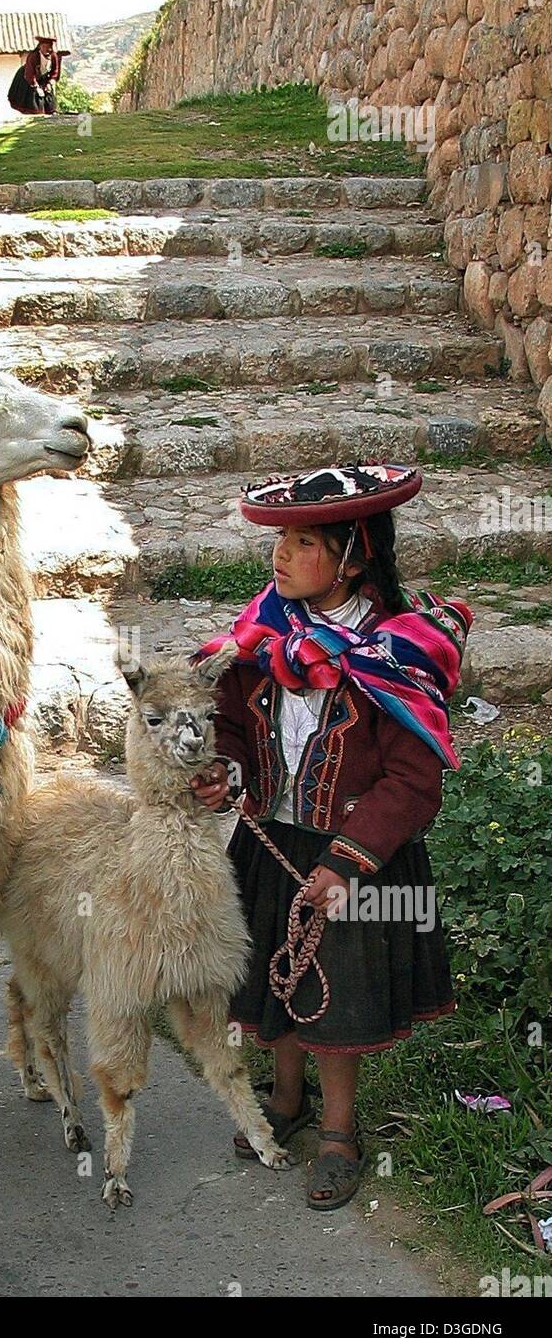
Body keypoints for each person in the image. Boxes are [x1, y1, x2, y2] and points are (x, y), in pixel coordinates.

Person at [189, 463, 472, 1211]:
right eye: (278, 541)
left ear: (353, 556)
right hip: (271, 839)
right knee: (269, 980)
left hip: (357, 855)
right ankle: (285, 1097)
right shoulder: (260, 637)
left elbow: (413, 782)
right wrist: (224, 771)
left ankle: (341, 1132)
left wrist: (347, 863)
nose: (279, 557)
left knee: (332, 995)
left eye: (303, 542)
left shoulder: (398, 659)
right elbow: (231, 727)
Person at [8, 33, 64, 115]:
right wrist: (36, 86)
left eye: (49, 47)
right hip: (27, 77)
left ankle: (50, 111)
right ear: (40, 47)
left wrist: (50, 82)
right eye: (44, 47)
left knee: (48, 92)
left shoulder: (54, 56)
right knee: (34, 95)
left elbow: (55, 71)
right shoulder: (33, 56)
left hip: (43, 77)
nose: (47, 49)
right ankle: (35, 112)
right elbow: (29, 74)